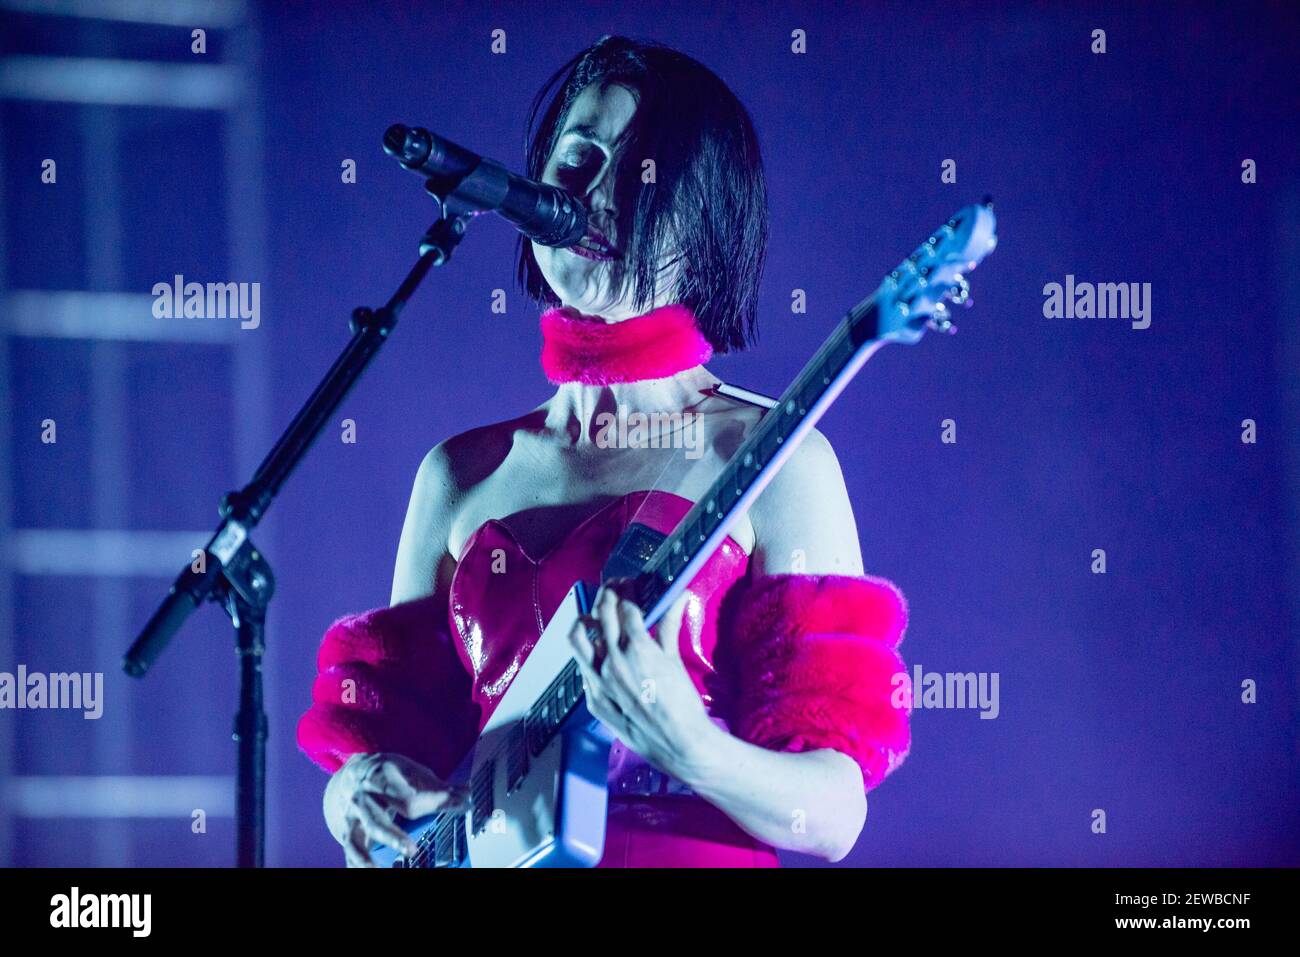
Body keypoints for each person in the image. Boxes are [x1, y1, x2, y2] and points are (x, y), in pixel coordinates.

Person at [298, 35, 912, 868]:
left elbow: (835, 814)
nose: (598, 190)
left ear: (707, 222)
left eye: (644, 171)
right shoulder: (456, 477)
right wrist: (352, 795)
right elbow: (391, 782)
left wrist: (691, 746)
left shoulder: (777, 459)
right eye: (579, 158)